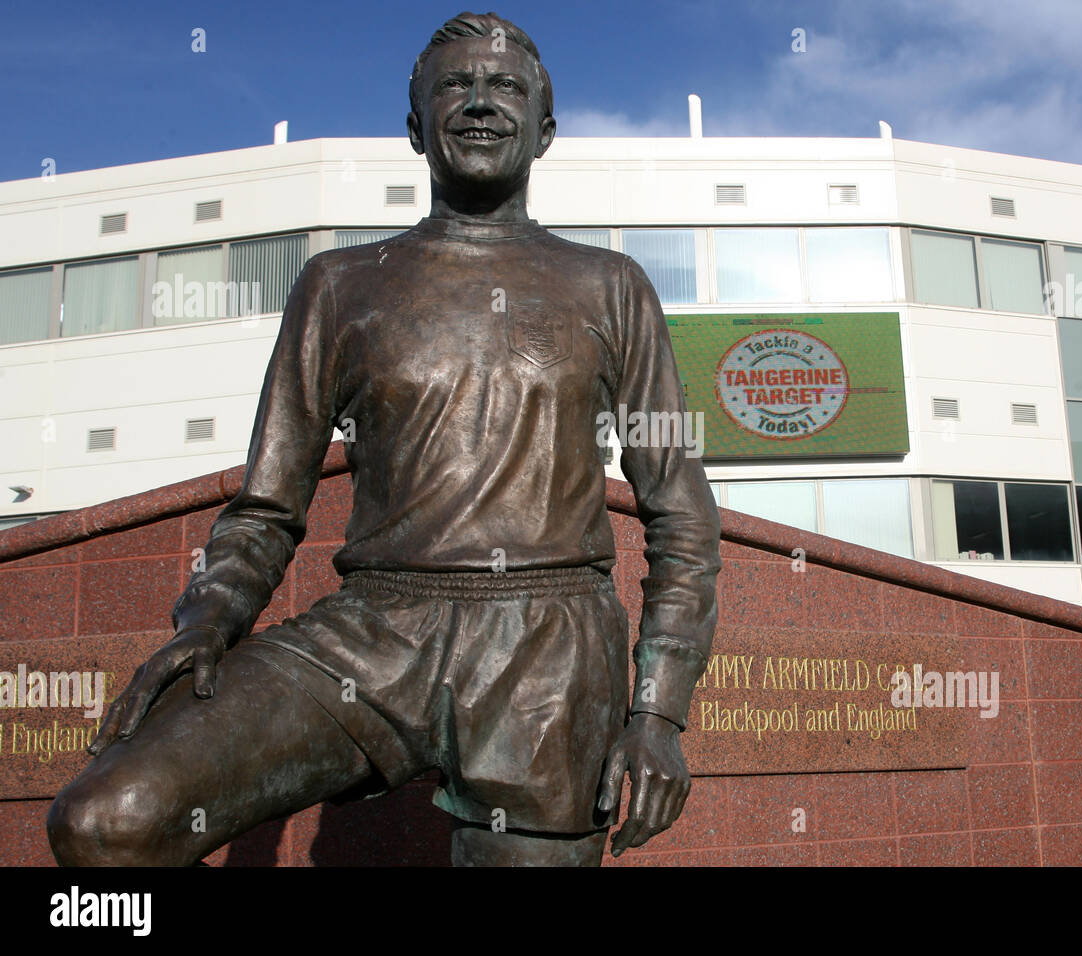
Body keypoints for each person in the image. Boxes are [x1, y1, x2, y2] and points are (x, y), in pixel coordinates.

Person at [46, 10, 720, 867]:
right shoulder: (338, 286)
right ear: (415, 127)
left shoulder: (612, 286)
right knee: (104, 823)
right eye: (456, 86)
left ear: (545, 130)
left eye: (506, 86)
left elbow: (683, 517)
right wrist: (210, 615)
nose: (481, 103)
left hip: (547, 649)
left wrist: (658, 712)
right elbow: (264, 508)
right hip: (370, 630)